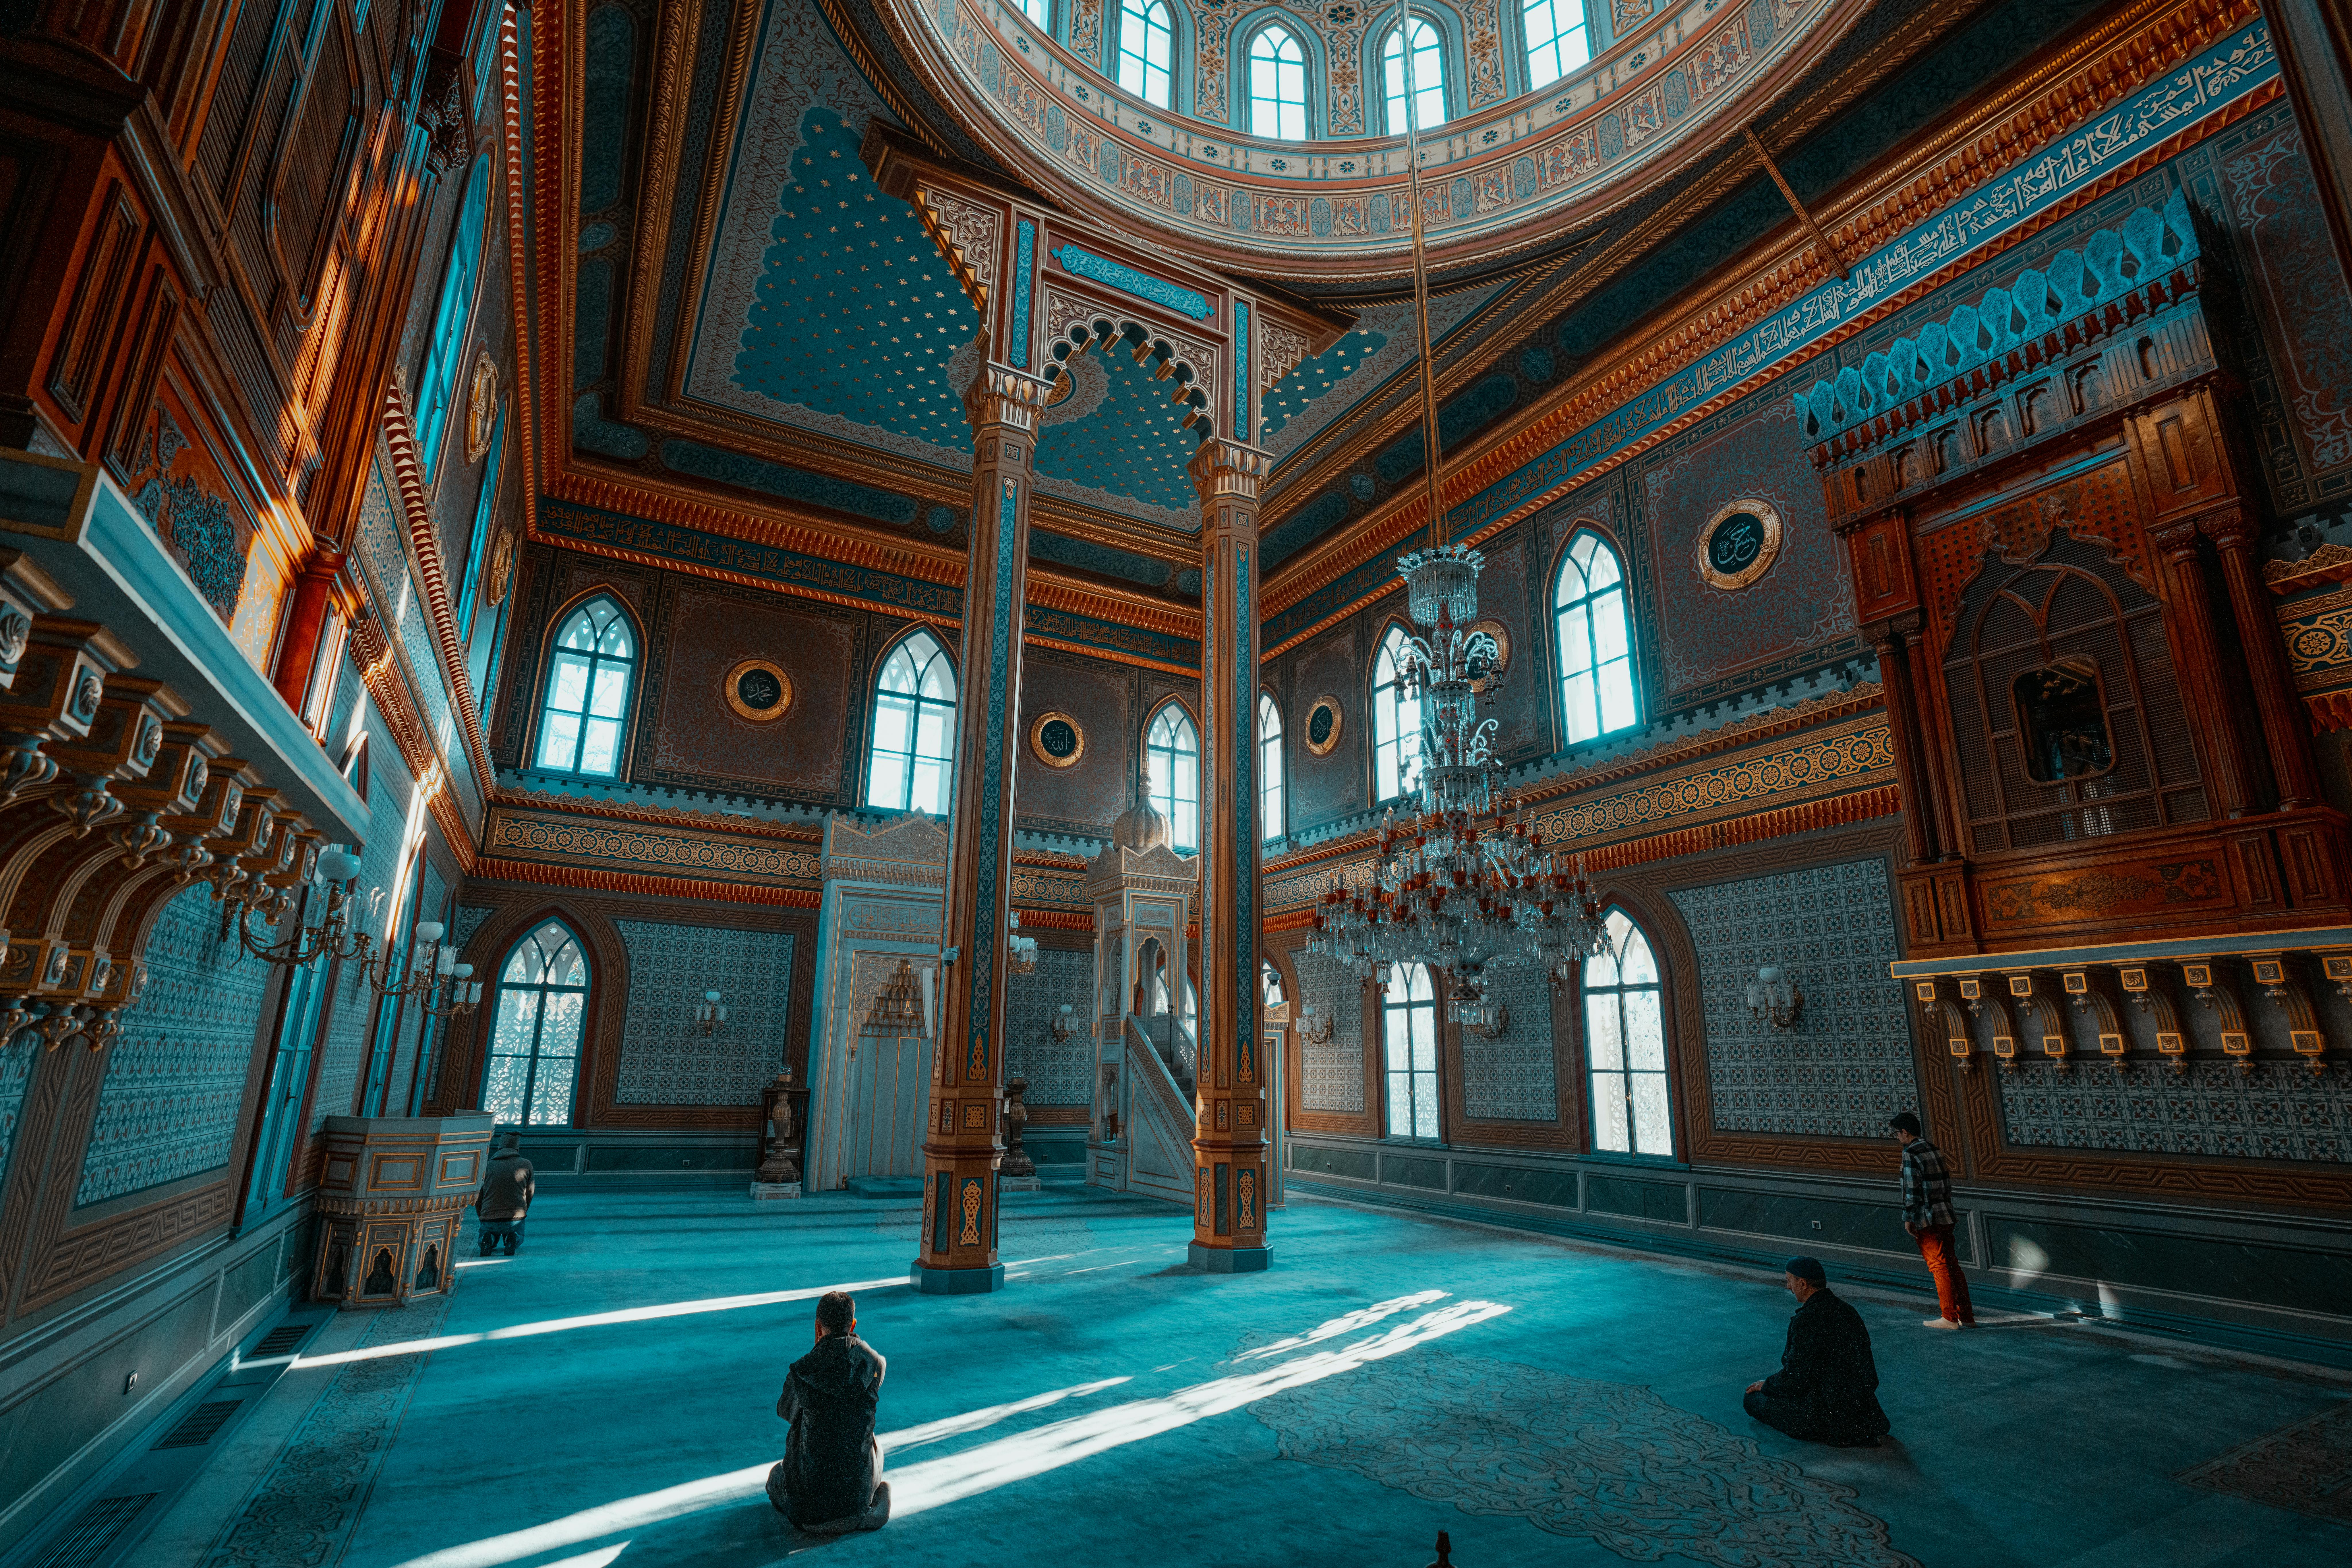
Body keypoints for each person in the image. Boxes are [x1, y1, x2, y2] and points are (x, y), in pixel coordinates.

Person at [768, 1290, 890, 1533]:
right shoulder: (875, 1362)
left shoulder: (801, 1371)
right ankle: (867, 1508)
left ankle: (829, 1517)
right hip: (855, 1500)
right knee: (875, 1446)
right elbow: (874, 1367)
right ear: (853, 1324)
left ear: (818, 1327)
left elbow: (786, 1411)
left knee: (776, 1475)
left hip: (809, 1513)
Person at [1742, 1256, 1891, 1447]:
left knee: (1752, 1399)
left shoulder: (1807, 1320)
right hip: (1862, 1410)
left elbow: (1796, 1379)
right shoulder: (1848, 1311)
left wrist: (1767, 1385)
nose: (1788, 1287)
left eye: (1789, 1281)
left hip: (1825, 1415)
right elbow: (1869, 1375)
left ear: (1802, 1283)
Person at [1890, 1110, 1976, 1329]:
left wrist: (1908, 1218)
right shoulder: (1933, 1148)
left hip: (1926, 1218)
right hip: (1946, 1213)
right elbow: (1946, 1183)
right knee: (1953, 1265)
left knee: (1939, 1267)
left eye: (1897, 1134)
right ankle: (1967, 1317)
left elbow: (1911, 1190)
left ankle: (1948, 1317)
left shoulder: (1910, 1153)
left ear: (1905, 1132)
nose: (1897, 1138)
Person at [476, 1131, 533, 1256]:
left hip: (489, 1216)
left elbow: (479, 1196)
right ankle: (512, 1238)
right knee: (519, 1238)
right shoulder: (526, 1164)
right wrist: (524, 1211)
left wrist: (482, 1216)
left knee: (483, 1240)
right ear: (517, 1149)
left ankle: (490, 1239)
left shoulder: (487, 1166)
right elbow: (530, 1193)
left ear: (499, 1148)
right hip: (516, 1218)